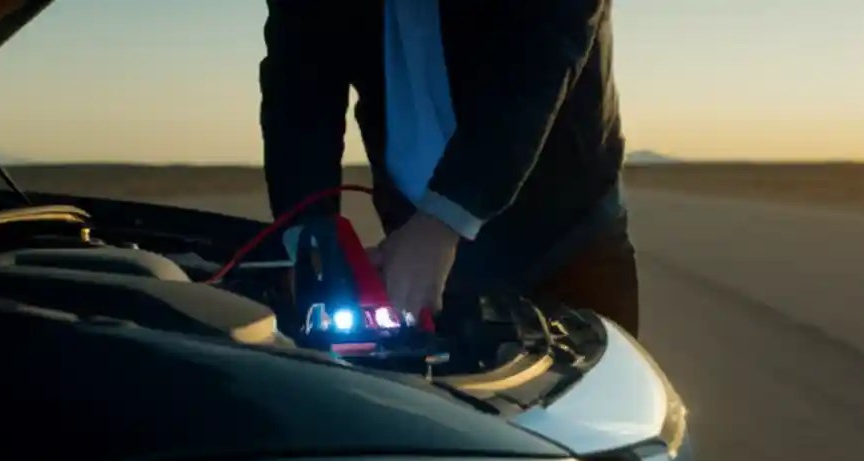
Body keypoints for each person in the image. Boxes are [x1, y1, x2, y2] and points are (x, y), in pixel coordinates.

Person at [259, 0, 639, 336]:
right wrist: (309, 238)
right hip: (411, 237)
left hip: (565, 229)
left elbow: (545, 47)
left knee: (594, 403)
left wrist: (446, 219)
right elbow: (299, 82)